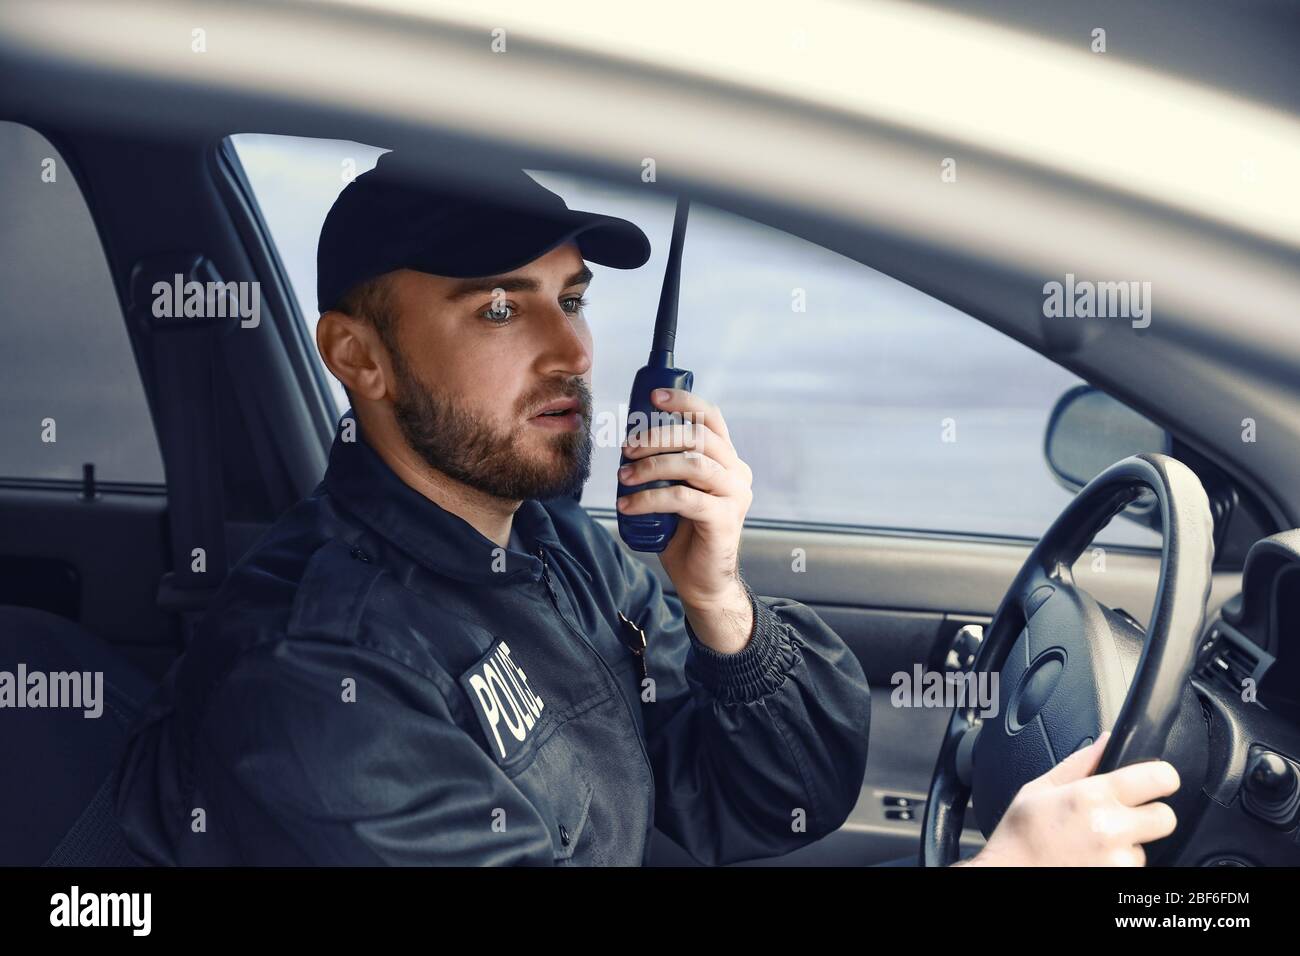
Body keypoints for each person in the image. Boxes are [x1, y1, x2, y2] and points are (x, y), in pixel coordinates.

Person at [114, 155, 1180, 866]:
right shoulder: (316, 684)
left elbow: (774, 802)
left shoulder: (562, 551)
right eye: (498, 305)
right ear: (358, 356)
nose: (574, 350)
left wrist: (721, 605)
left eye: (570, 298)